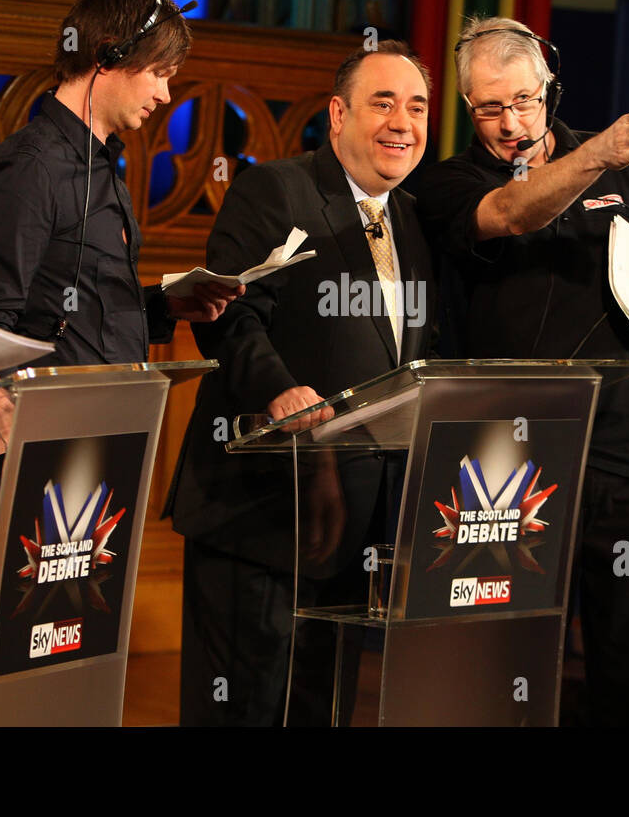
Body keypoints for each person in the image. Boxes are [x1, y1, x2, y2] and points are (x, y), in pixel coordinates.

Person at [414, 16, 629, 726]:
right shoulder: (451, 183)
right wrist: (595, 155)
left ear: (549, 89)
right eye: (489, 106)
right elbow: (512, 211)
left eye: (524, 100)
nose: (511, 122)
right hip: (510, 458)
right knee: (507, 657)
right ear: (468, 107)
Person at [164, 41, 436, 726]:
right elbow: (230, 317)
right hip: (261, 512)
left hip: (354, 521)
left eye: (417, 106)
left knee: (320, 705)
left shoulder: (415, 219)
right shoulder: (276, 189)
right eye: (384, 102)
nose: (403, 121)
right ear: (338, 114)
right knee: (244, 708)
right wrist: (280, 390)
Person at [0, 0, 240, 537]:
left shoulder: (104, 165)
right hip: (46, 450)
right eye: (158, 74)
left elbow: (80, 302)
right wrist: (3, 457)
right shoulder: (32, 166)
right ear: (108, 57)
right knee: (34, 614)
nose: (165, 94)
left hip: (106, 435)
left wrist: (166, 306)